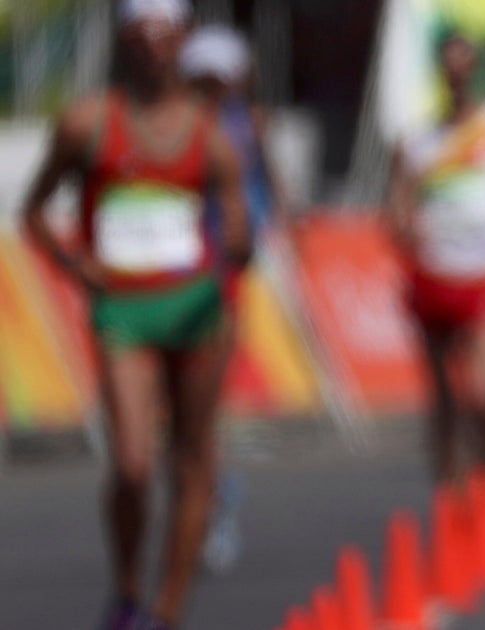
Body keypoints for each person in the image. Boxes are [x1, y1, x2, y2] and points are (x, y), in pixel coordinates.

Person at [20, 1, 250, 628]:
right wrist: (75, 265)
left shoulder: (208, 132)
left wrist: (237, 238)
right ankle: (126, 590)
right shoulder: (86, 123)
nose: (153, 48)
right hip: (123, 308)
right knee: (132, 463)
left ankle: (167, 609)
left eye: (164, 36)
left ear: (182, 42)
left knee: (192, 459)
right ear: (124, 43)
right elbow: (34, 212)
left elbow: (236, 222)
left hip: (197, 307)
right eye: (140, 36)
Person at [387, 33, 485, 485]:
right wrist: (404, 224)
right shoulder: (418, 140)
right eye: (450, 66)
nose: (458, 75)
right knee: (445, 397)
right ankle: (449, 490)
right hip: (435, 274)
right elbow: (398, 204)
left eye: (466, 64)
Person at [179, 22, 284, 576]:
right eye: (205, 81)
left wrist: (276, 221)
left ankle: (213, 502)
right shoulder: (174, 126)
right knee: (174, 410)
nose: (215, 91)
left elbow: (266, 180)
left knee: (203, 400)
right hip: (167, 275)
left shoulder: (246, 124)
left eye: (222, 80)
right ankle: (201, 494)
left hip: (221, 273)